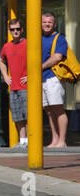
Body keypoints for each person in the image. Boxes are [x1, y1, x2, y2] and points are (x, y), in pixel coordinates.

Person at [41, 12, 70, 148]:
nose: (47, 24)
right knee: (48, 110)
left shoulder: (59, 38)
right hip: (41, 79)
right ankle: (54, 139)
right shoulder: (38, 38)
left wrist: (41, 66)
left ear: (54, 24)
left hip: (54, 78)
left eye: (50, 22)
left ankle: (62, 141)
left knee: (58, 108)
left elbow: (58, 57)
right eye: (44, 22)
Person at [0, 18, 28, 145]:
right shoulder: (7, 46)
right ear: (9, 31)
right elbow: (1, 60)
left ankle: (30, 140)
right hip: (14, 86)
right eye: (12, 29)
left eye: (17, 29)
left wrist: (31, 76)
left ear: (22, 30)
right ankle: (23, 141)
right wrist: (5, 76)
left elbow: (38, 60)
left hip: (27, 87)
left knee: (28, 115)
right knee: (17, 116)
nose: (15, 32)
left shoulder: (28, 43)